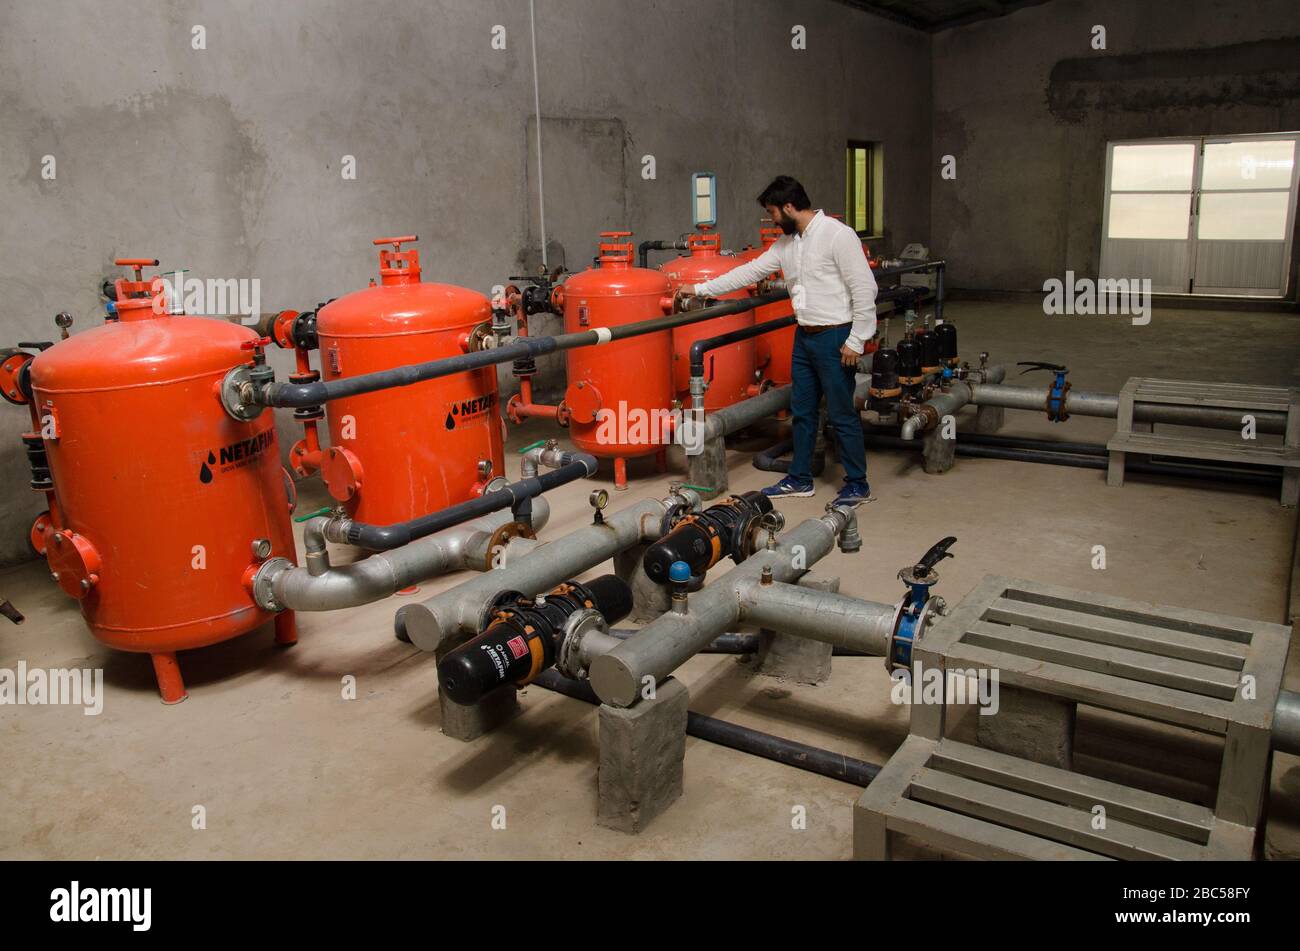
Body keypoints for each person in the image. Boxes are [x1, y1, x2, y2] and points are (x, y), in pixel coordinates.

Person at [682, 175, 876, 504]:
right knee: (801, 411)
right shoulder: (788, 243)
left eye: (773, 212)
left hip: (836, 337)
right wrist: (699, 288)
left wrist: (857, 339)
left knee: (841, 413)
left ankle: (858, 484)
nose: (772, 219)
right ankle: (800, 478)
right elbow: (750, 271)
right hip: (805, 337)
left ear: (789, 207)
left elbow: (865, 288)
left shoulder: (837, 235)